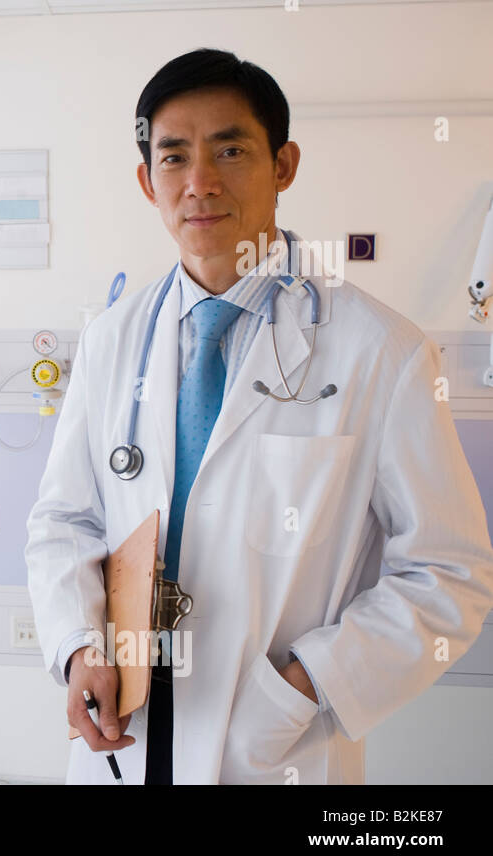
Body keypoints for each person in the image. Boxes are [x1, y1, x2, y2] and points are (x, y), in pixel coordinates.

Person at [25, 49, 493, 784]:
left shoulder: (381, 352)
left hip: (277, 749)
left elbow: (450, 571)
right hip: (127, 737)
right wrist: (81, 645)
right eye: (174, 157)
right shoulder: (113, 340)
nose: (200, 183)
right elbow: (63, 522)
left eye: (231, 149)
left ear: (284, 165)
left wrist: (304, 686)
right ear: (148, 182)